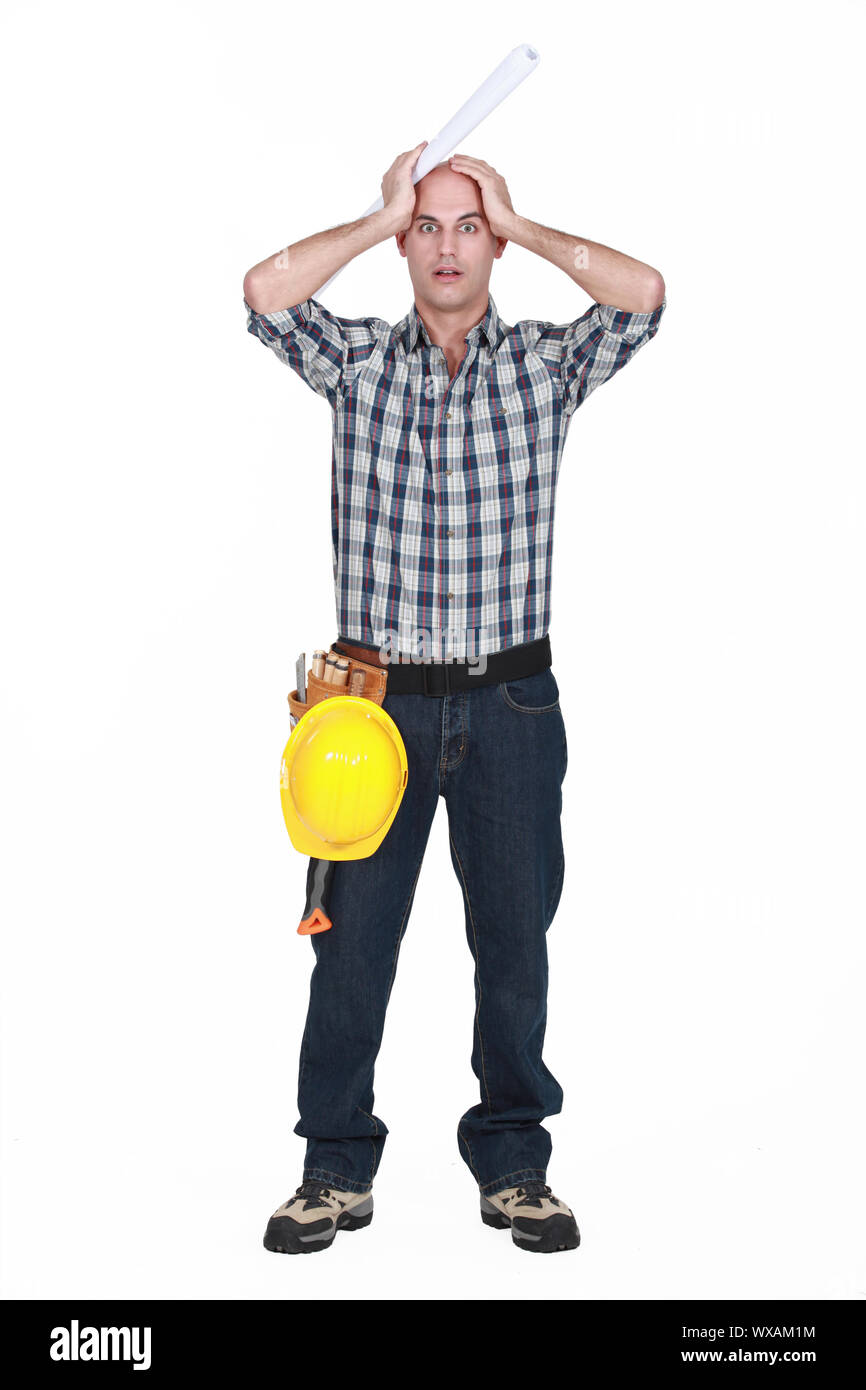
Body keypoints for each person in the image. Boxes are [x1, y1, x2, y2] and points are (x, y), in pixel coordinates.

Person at [243, 142, 666, 1255]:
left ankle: (514, 1160)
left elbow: (645, 295)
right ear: (401, 241)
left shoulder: (544, 367)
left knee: (514, 942)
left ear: (490, 242)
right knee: (350, 947)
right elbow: (262, 292)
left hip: (510, 702)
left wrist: (521, 222)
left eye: (463, 225)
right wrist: (374, 209)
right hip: (367, 714)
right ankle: (332, 1167)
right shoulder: (352, 365)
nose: (444, 244)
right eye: (425, 225)